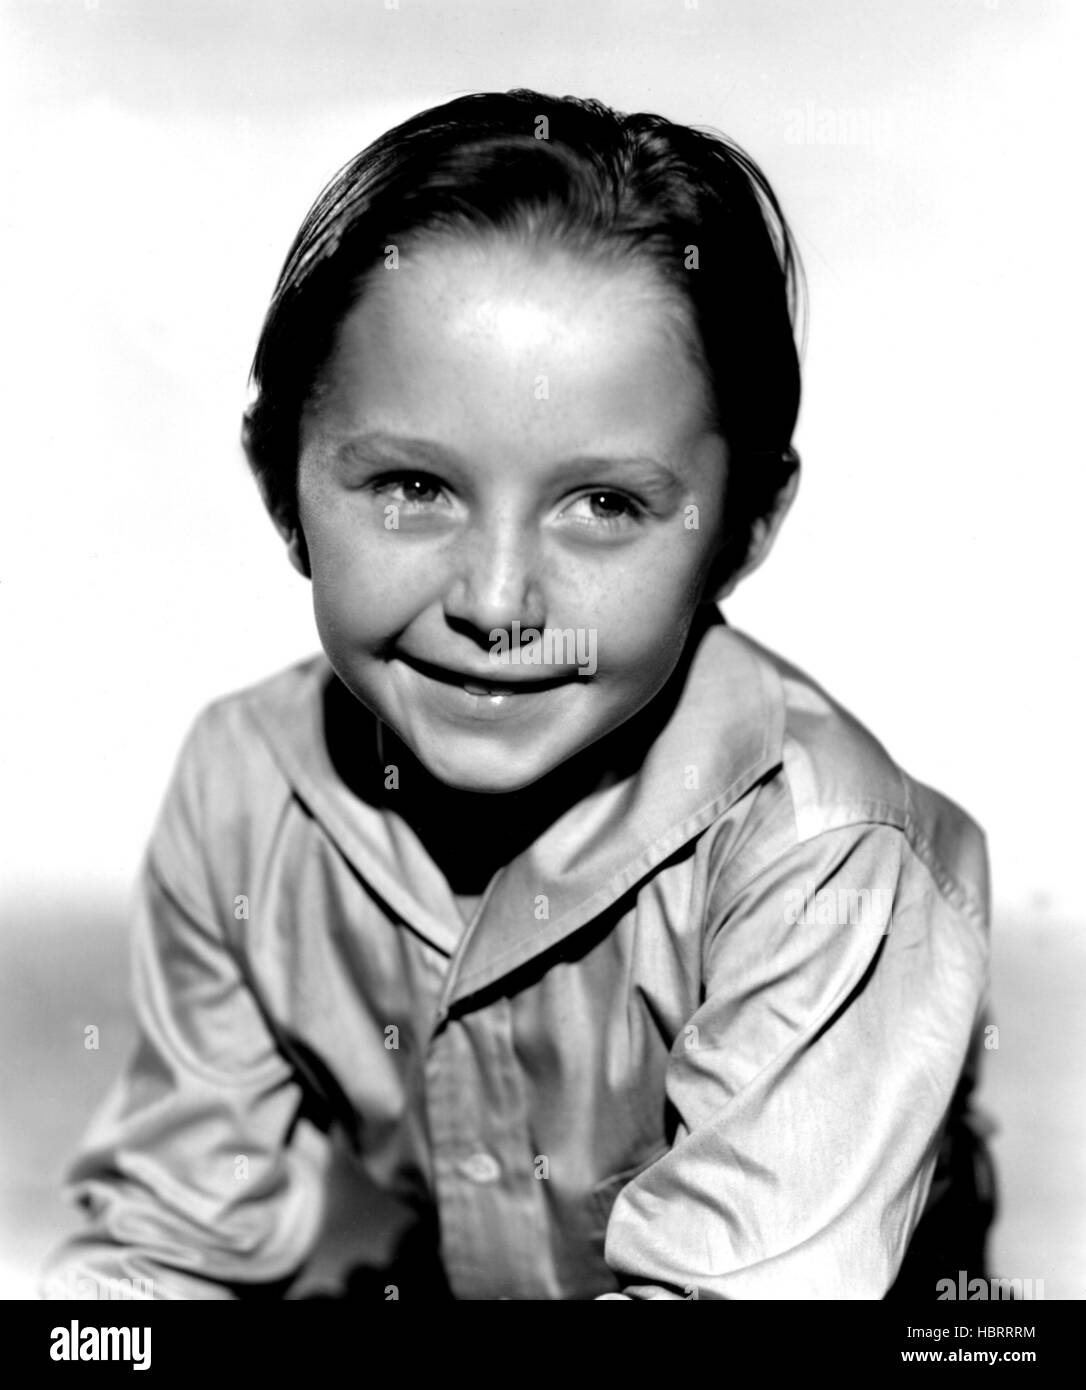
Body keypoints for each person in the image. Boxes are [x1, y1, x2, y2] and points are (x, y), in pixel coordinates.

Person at [43, 89, 994, 1300]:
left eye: (605, 505)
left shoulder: (823, 863)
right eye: (411, 486)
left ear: (742, 523)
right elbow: (166, 1249)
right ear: (283, 485)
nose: (496, 604)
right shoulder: (246, 787)